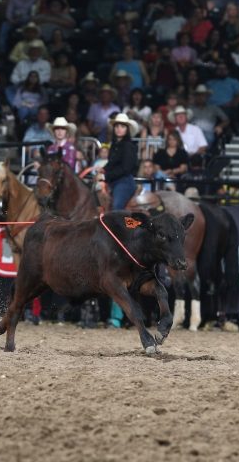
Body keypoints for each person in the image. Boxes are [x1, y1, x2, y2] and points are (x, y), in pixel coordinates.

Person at [103, 113, 138, 329]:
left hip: (124, 182)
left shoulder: (127, 146)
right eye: (117, 126)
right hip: (116, 181)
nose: (119, 129)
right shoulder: (116, 146)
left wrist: (106, 173)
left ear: (127, 129)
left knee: (116, 211)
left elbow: (126, 168)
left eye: (122, 126)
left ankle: (118, 235)